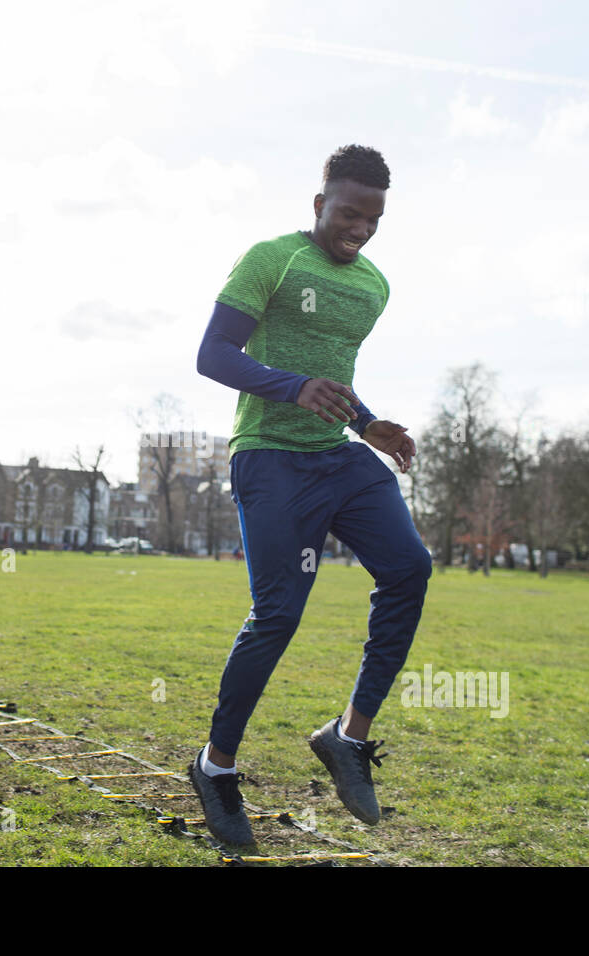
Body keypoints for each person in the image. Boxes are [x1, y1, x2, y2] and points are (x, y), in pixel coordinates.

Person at [189, 145, 430, 847]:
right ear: (318, 203)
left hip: (337, 458)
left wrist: (368, 424)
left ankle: (348, 737)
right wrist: (291, 387)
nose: (361, 227)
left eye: (374, 217)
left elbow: (334, 376)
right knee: (278, 616)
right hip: (270, 458)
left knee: (410, 568)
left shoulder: (376, 287)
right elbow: (214, 355)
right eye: (350, 212)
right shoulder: (272, 258)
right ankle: (215, 767)